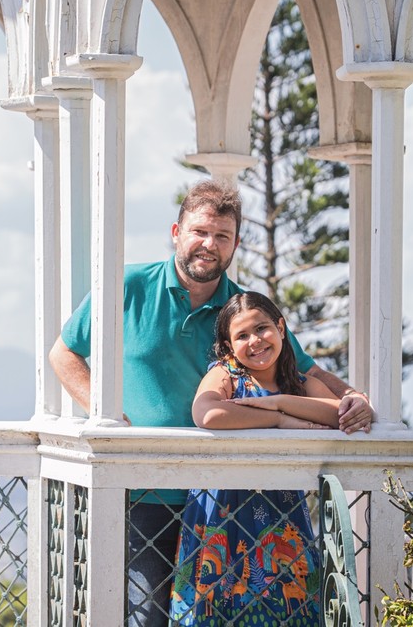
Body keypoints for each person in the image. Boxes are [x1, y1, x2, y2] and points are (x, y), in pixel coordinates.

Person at [48, 179, 373, 626]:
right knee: (148, 616)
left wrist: (354, 398)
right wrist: (107, 417)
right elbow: (64, 353)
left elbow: (308, 372)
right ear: (176, 232)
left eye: (222, 236)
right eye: (200, 231)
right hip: (145, 490)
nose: (209, 244)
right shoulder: (127, 286)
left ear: (235, 244)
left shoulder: (243, 313)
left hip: (228, 496)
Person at [169, 291, 338, 626]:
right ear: (229, 347)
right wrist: (277, 420)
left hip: (282, 511)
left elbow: (336, 413)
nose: (255, 341)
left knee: (287, 606)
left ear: (280, 328)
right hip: (222, 511)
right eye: (242, 336)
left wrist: (279, 403)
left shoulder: (300, 385)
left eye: (261, 328)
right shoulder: (227, 376)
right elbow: (207, 413)